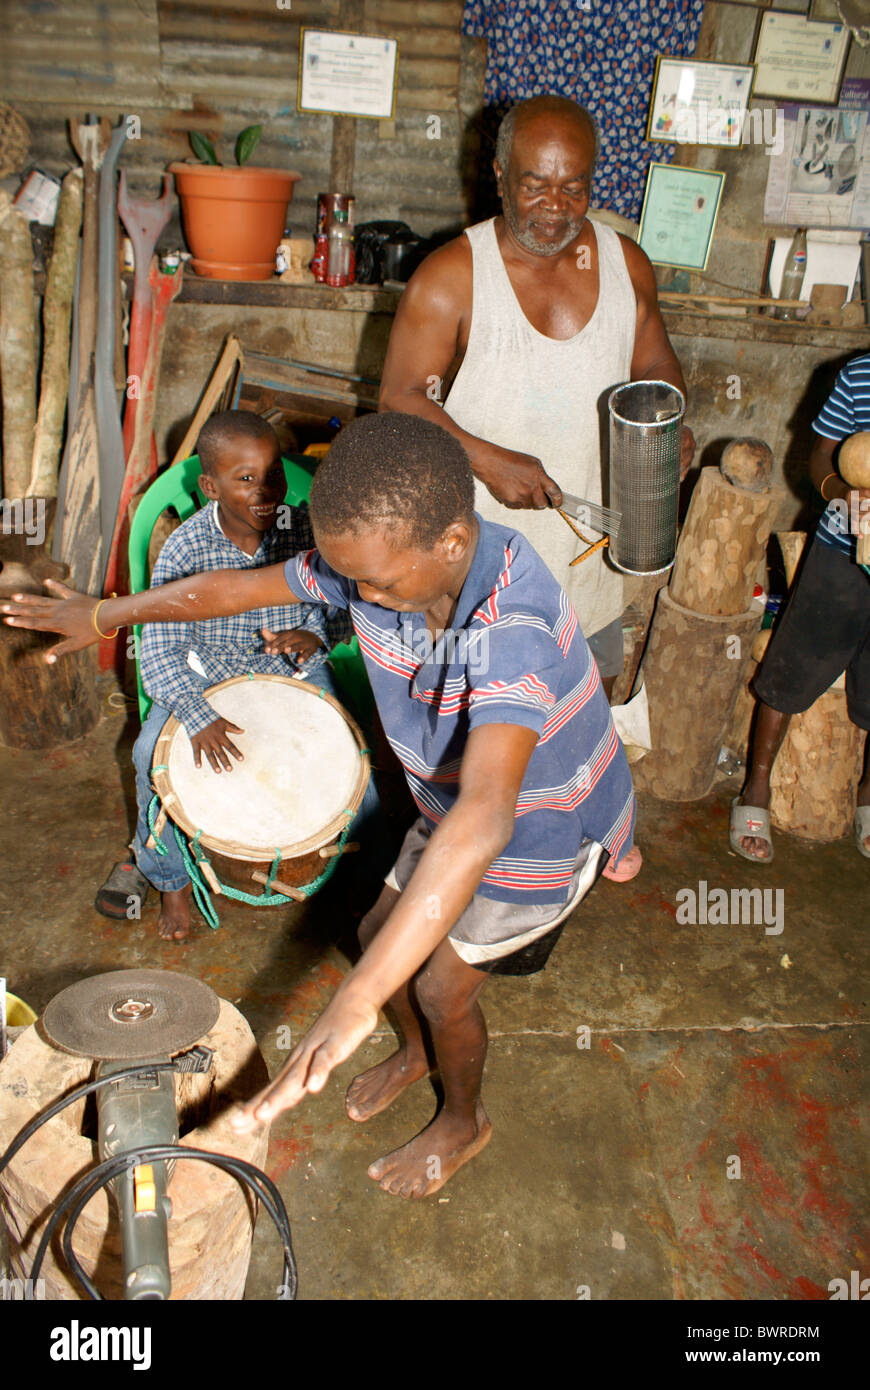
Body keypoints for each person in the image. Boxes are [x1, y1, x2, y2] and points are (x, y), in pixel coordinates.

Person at [2, 412, 636, 1199]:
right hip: (450, 805)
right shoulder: (382, 558)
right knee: (374, 934)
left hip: (535, 827)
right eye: (348, 578)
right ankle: (418, 1053)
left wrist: (356, 1002)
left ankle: (463, 1119)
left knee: (439, 988)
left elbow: (487, 816)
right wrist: (108, 614)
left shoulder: (514, 629)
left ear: (450, 542)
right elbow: (232, 590)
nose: (360, 596)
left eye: (377, 584)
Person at [379, 94, 694, 711]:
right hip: (477, 569)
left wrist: (668, 421)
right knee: (479, 726)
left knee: (584, 723)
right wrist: (488, 460)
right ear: (500, 175)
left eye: (574, 188)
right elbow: (398, 398)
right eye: (535, 186)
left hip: (590, 560)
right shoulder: (452, 277)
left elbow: (655, 364)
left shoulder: (626, 265)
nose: (555, 207)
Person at [107, 410, 340, 942]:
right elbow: (159, 647)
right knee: (148, 756)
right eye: (246, 478)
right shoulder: (186, 548)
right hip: (205, 673)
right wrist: (197, 714)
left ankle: (349, 868)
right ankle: (169, 879)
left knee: (349, 755)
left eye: (273, 474)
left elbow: (339, 602)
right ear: (210, 487)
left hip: (291, 667)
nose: (266, 491)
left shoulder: (304, 529)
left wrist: (314, 634)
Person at [730, 353, 870, 862]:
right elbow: (820, 457)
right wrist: (843, 493)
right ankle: (756, 789)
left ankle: (867, 796)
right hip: (842, 553)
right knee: (790, 671)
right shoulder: (859, 376)